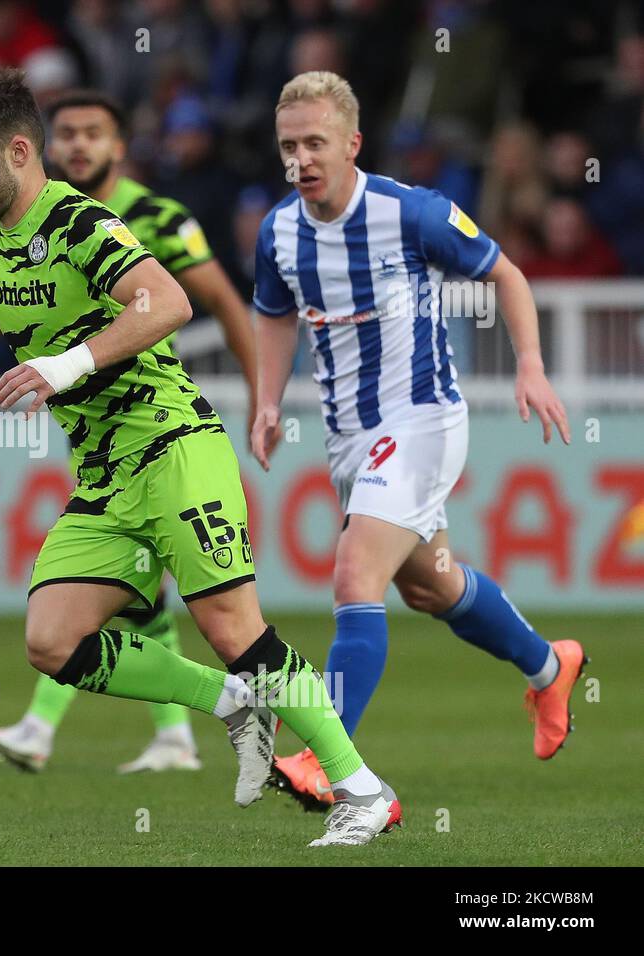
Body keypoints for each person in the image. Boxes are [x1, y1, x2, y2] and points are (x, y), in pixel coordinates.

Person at [0, 70, 399, 846]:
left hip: (170, 444)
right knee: (52, 640)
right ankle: (231, 704)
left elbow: (170, 302)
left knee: (233, 626)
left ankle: (362, 790)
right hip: (105, 473)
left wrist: (66, 366)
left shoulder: (80, 222)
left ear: (18, 152)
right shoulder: (2, 222)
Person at [249, 72, 586, 812]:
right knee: (430, 584)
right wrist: (268, 400)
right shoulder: (278, 231)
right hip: (349, 438)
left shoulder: (412, 213)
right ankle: (547, 664)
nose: (300, 159)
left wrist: (531, 367)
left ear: (352, 144)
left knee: (352, 577)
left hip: (422, 419)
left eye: (315, 144)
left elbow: (508, 274)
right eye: (288, 146)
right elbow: (274, 313)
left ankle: (325, 755)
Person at [0, 88, 255, 775]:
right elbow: (8, 276)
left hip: (160, 429)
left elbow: (210, 299)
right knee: (115, 608)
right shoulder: (15, 214)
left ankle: (332, 768)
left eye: (91, 133)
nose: (76, 145)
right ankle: (185, 728)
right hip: (100, 449)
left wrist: (266, 394)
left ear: (119, 143)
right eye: (66, 132)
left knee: (213, 623)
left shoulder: (147, 217)